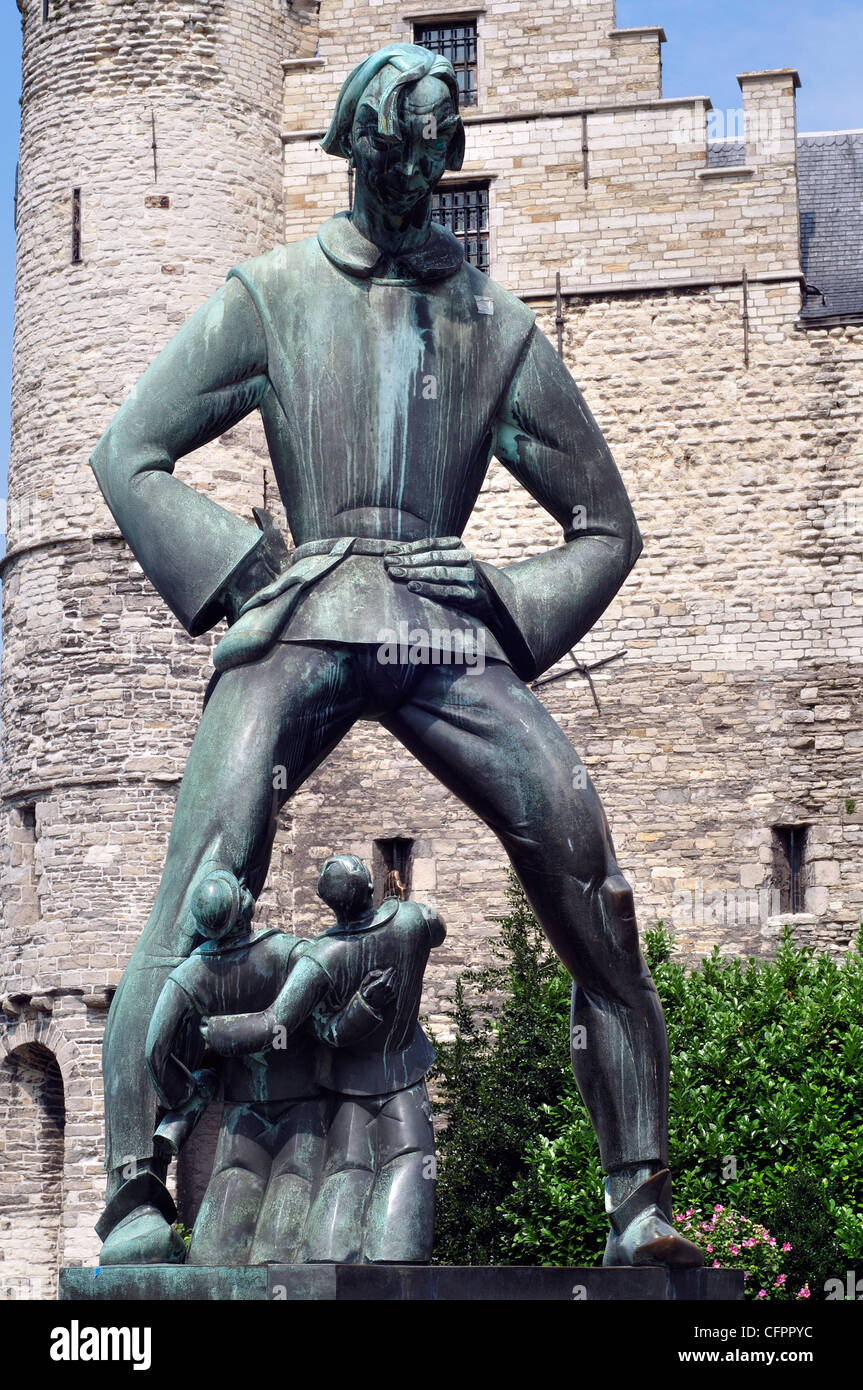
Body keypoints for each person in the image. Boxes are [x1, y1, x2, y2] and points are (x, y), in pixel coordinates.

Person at [90, 42, 702, 1269]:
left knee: (590, 876)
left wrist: (504, 592)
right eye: (407, 147)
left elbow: (607, 526)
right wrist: (243, 569)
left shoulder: (494, 325)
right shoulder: (269, 294)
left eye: (442, 149)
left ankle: (638, 1202)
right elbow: (129, 451)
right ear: (361, 144)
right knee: (202, 864)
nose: (428, 171)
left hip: (438, 624)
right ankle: (133, 1188)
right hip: (305, 611)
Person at [139, 867, 392, 1267]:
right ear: (243, 906)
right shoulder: (291, 952)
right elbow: (329, 1027)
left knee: (216, 1244)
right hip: (303, 1108)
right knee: (284, 1232)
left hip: (242, 1112)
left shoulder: (190, 974)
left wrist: (185, 1093)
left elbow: (155, 1050)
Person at [203, 854, 445, 1264]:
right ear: (370, 887)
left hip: (347, 1086)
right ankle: (397, 1262)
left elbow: (273, 1023)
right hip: (403, 1073)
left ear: (328, 905)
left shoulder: (323, 956)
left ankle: (326, 1259)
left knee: (346, 1171)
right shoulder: (413, 921)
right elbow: (437, 928)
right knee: (409, 1161)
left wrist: (215, 1031)